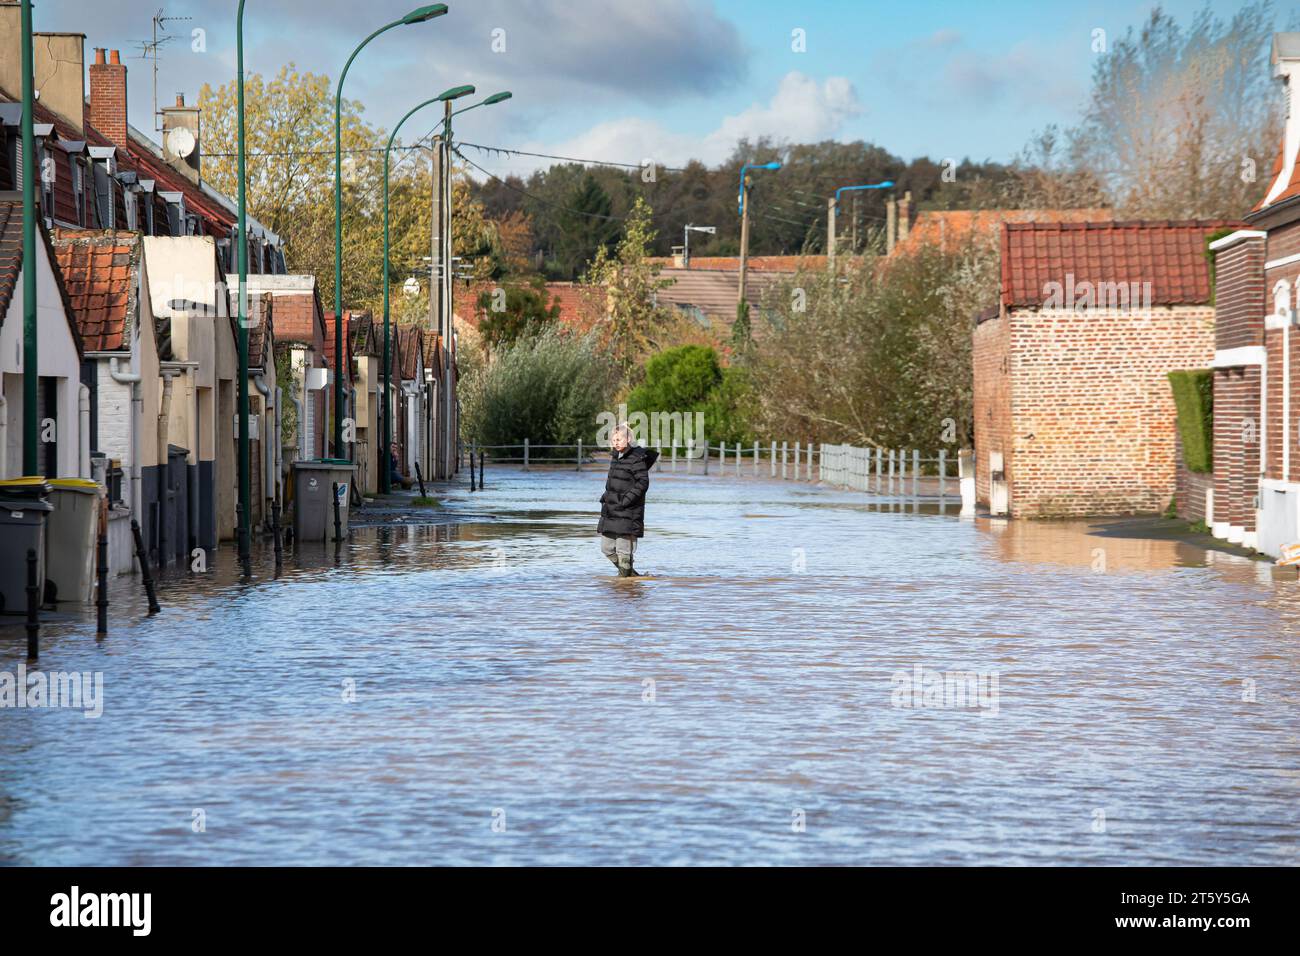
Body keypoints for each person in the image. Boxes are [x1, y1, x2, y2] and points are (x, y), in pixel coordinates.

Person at [598, 423, 659, 577]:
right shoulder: (615, 458)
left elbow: (643, 483)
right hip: (611, 510)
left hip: (628, 511)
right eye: (613, 440)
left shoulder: (636, 459)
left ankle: (626, 587)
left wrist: (626, 500)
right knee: (606, 548)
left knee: (623, 551)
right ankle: (632, 578)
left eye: (619, 439)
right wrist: (606, 496)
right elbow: (613, 481)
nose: (616, 442)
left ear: (629, 439)